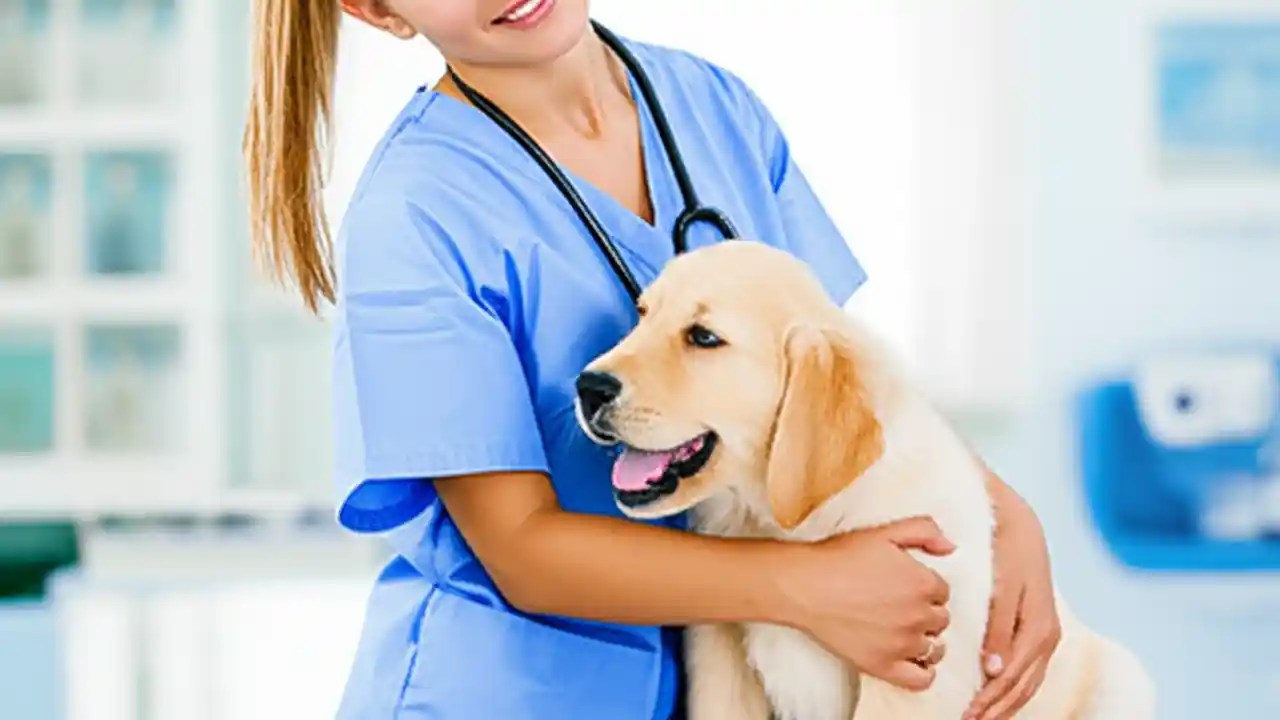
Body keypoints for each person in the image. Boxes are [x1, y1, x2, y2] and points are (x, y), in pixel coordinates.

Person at [242, 1, 1062, 718]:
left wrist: (992, 511)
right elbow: (524, 550)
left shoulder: (715, 108)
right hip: (510, 693)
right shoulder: (415, 212)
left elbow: (832, 377)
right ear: (376, 9)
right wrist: (806, 586)